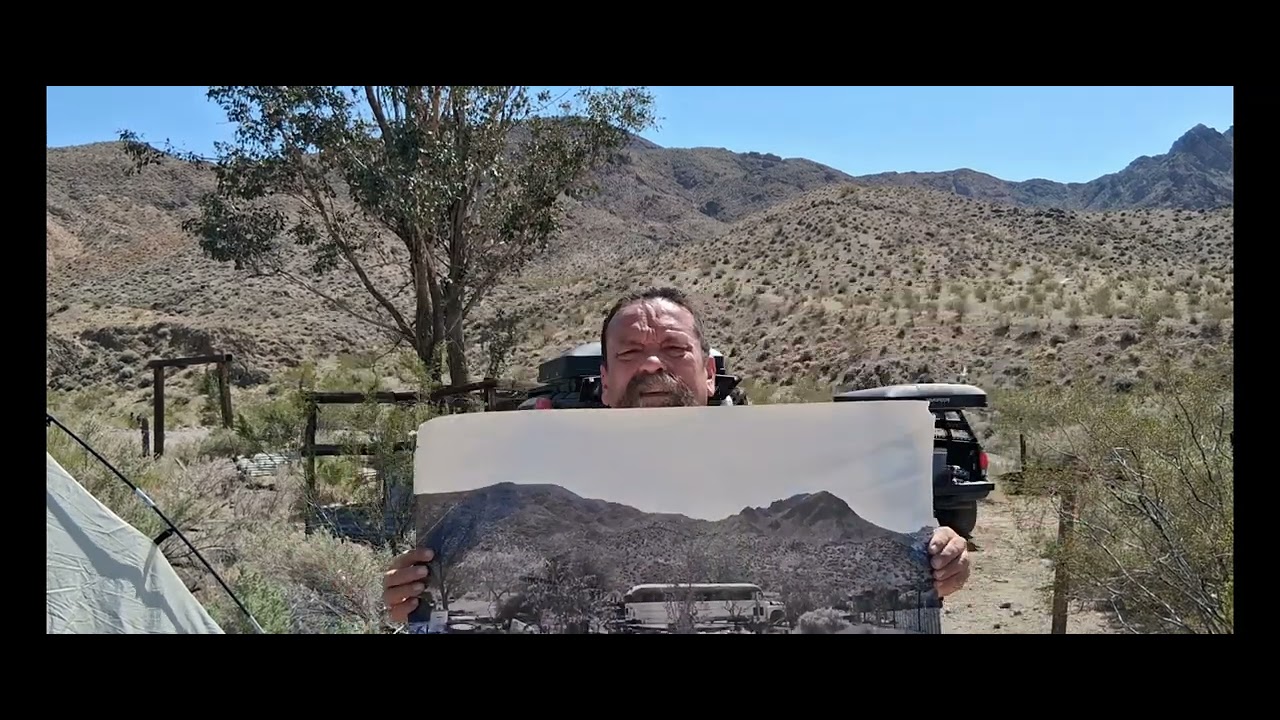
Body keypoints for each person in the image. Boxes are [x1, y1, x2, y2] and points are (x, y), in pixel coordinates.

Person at [382, 286, 972, 624]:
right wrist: (411, 599)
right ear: (605, 380)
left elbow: (906, 575)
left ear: (709, 372)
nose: (652, 364)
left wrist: (936, 567)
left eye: (673, 349)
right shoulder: (518, 473)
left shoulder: (787, 453)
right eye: (630, 353)